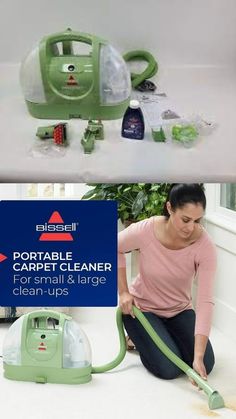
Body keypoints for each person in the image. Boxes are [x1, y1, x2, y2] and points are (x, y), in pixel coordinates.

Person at [118, 184, 216, 382]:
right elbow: (114, 247)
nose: (191, 227)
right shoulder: (146, 230)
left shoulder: (204, 246)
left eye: (197, 220)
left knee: (207, 360)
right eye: (186, 219)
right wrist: (124, 292)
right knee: (168, 369)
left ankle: (164, 338)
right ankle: (138, 338)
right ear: (170, 208)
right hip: (142, 310)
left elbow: (205, 301)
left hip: (179, 309)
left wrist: (197, 357)